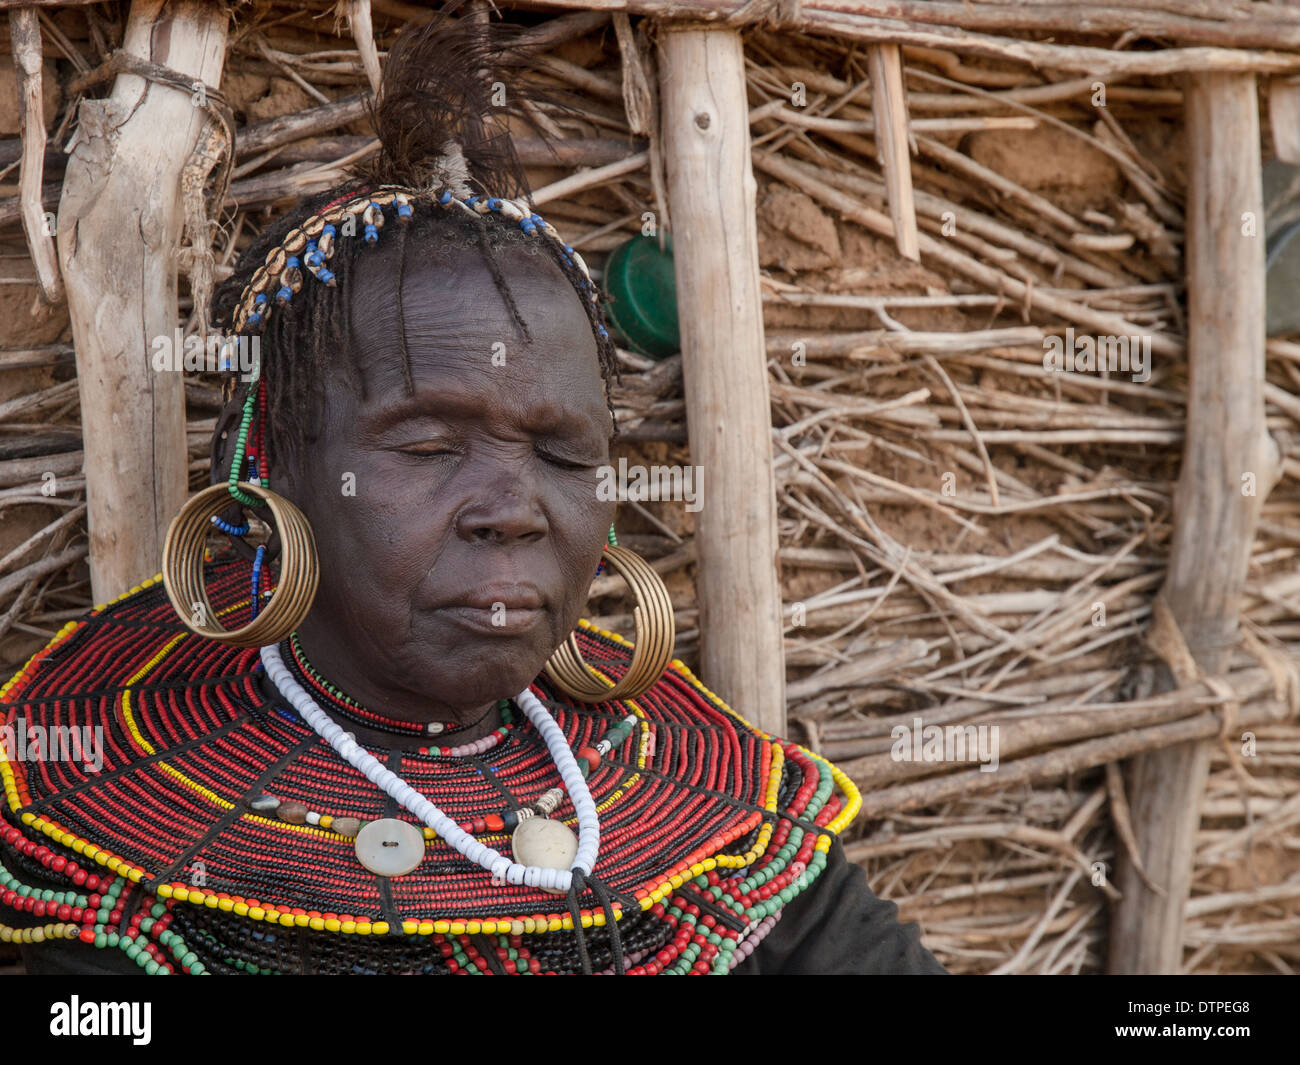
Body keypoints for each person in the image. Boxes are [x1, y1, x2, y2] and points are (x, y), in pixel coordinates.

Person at [0, 8, 944, 976]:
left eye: (564, 456)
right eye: (429, 445)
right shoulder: (115, 812)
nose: (513, 509)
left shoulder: (709, 806)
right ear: (272, 462)